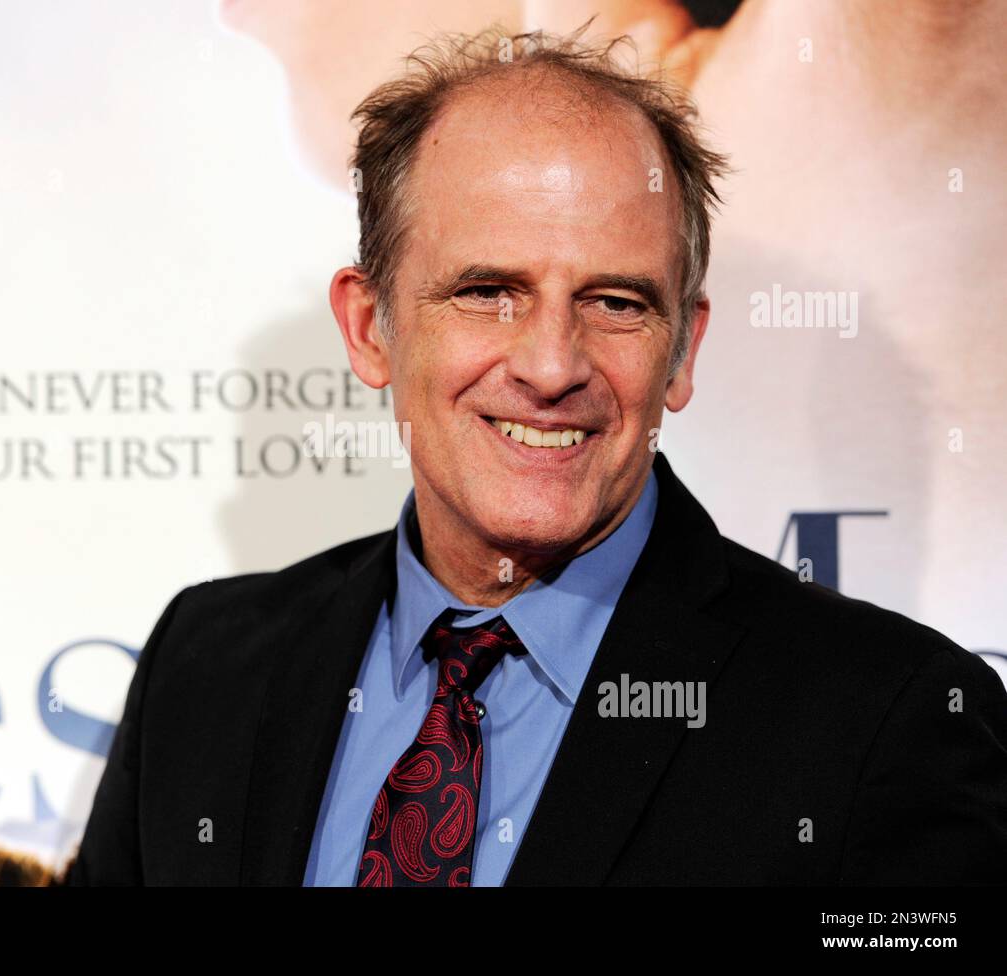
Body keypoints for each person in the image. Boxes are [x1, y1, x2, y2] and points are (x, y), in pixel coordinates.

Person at [68, 28, 1007, 886]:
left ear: (683, 351)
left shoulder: (883, 721)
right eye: (487, 292)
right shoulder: (206, 668)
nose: (553, 366)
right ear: (369, 328)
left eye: (616, 302)